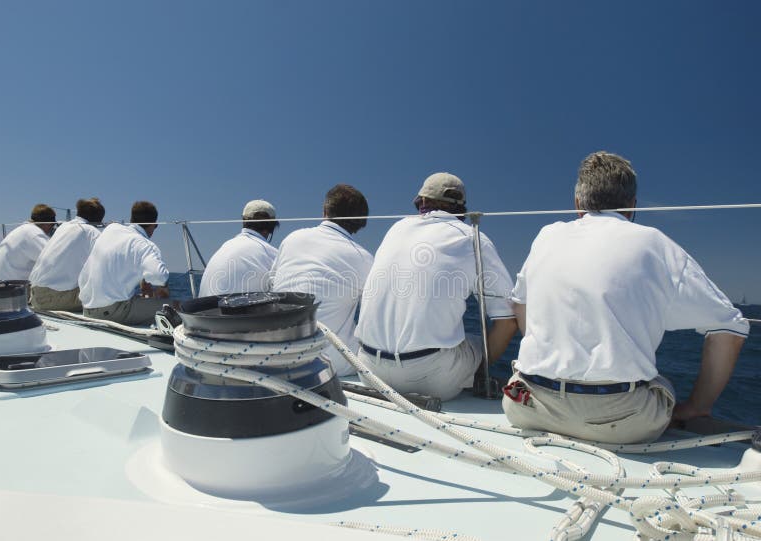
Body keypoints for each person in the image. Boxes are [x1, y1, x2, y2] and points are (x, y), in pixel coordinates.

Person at [503, 151, 748, 444]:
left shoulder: (546, 235)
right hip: (620, 423)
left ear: (578, 203)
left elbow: (519, 303)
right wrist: (697, 407)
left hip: (526, 406)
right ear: (632, 207)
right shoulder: (654, 243)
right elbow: (731, 327)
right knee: (663, 386)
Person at [355, 173, 517, 401]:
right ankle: (473, 380)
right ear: (462, 209)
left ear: (421, 203)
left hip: (367, 369)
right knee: (476, 340)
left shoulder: (396, 229)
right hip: (432, 381)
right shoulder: (472, 237)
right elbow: (508, 322)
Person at [270, 184, 373, 376]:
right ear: (360, 222)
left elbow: (272, 282)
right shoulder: (364, 258)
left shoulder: (292, 239)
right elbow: (373, 313)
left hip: (277, 354)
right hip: (330, 364)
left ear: (325, 210)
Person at [78, 201, 170, 325]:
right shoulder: (145, 245)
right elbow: (159, 277)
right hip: (111, 313)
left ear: (132, 219)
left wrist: (143, 279)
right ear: (153, 224)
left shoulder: (111, 229)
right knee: (175, 307)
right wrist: (163, 288)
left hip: (87, 308)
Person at [29, 198, 106, 311]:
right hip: (54, 299)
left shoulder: (63, 227)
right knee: (108, 296)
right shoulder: (92, 232)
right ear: (98, 220)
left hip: (35, 295)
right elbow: (104, 265)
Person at [199, 200, 279, 297]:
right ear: (272, 227)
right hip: (235, 311)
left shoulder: (226, 246)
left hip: (200, 310)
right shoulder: (272, 254)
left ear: (243, 221)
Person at [0, 205, 57, 281]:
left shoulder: (23, 230)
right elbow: (54, 259)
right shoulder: (34, 234)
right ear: (48, 224)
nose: (52, 228)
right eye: (53, 225)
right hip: (10, 287)